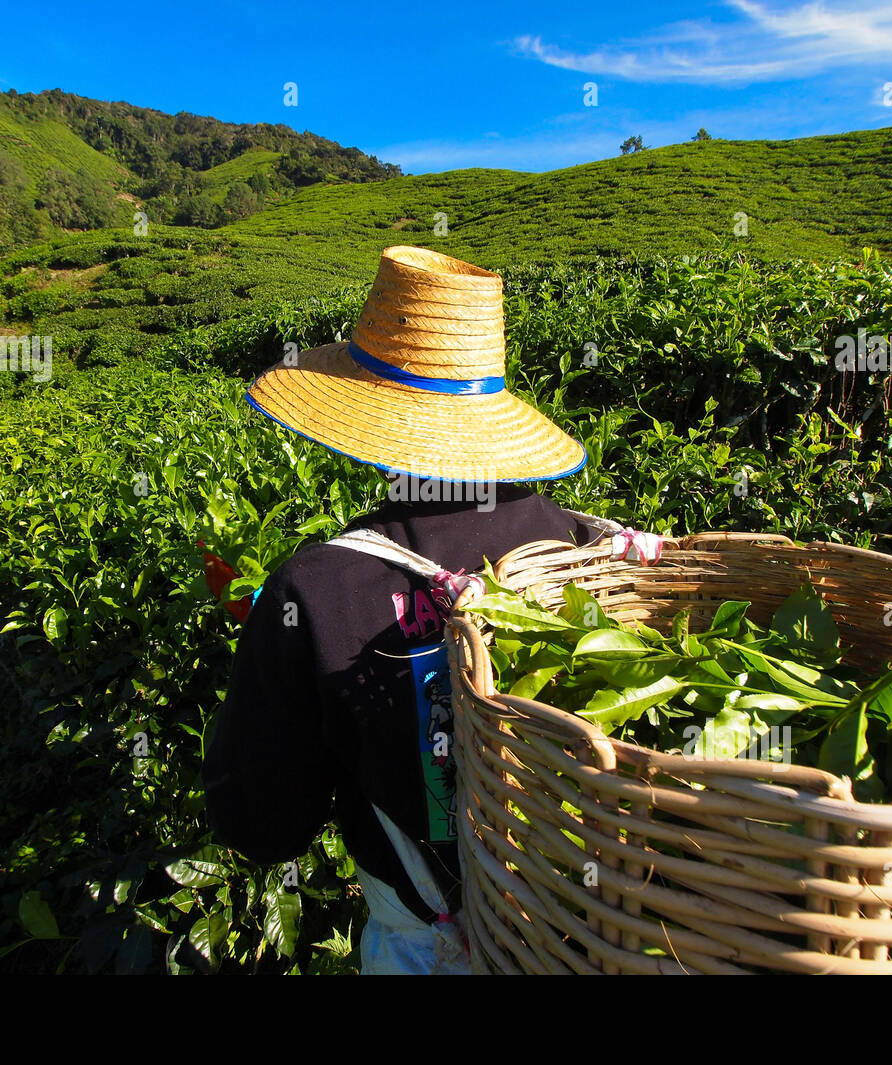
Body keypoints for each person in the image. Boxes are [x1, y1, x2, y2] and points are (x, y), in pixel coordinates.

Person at [202, 245, 660, 974]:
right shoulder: (587, 548)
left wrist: (281, 658)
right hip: (590, 935)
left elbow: (262, 825)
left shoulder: (316, 589)